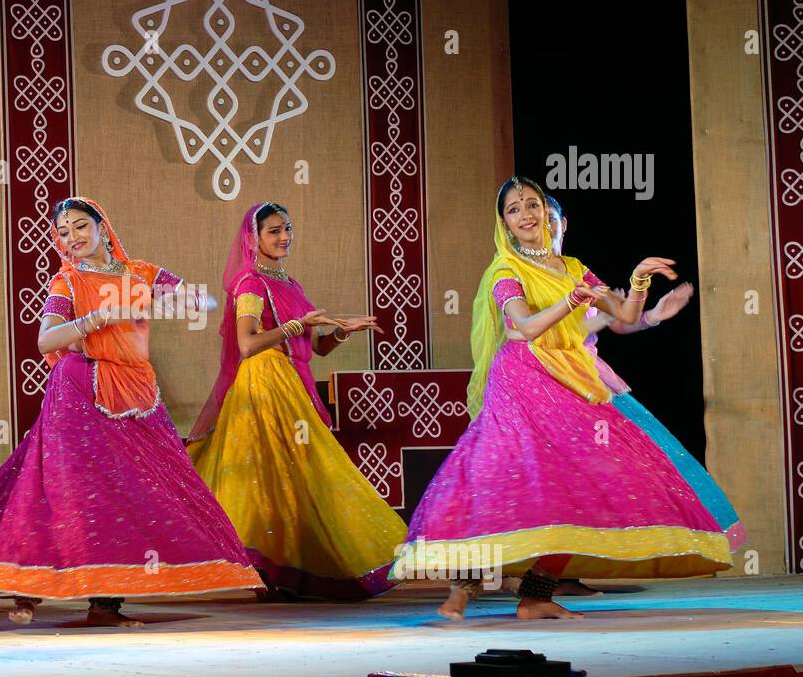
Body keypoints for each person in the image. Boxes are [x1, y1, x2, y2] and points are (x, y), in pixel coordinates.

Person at [391, 176, 732, 620]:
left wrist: (640, 281)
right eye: (514, 209)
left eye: (531, 204)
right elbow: (527, 327)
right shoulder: (505, 271)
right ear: (505, 223)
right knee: (505, 478)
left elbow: (625, 314)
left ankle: (536, 595)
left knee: (581, 480)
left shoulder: (573, 265)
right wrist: (571, 301)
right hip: (521, 382)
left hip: (573, 379)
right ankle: (463, 586)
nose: (526, 214)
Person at [0, 196, 263, 626]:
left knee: (134, 491)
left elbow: (204, 304)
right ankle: (28, 586)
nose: (71, 238)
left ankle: (105, 604)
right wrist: (100, 318)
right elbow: (45, 340)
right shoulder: (66, 281)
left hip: (136, 392)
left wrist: (162, 302)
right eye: (63, 232)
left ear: (103, 227)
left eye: (79, 226)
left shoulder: (141, 272)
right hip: (79, 390)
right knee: (64, 488)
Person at [187, 202, 405, 599]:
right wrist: (297, 325)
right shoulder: (251, 284)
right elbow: (248, 343)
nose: (285, 236)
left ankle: (282, 572)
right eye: (274, 231)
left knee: (290, 479)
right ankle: (267, 572)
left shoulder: (289, 283)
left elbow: (316, 349)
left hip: (291, 382)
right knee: (273, 478)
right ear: (253, 239)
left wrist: (343, 331)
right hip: (265, 386)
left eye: (287, 228)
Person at [542, 196, 744, 597]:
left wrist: (652, 316)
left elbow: (619, 321)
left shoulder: (578, 271)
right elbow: (543, 336)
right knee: (557, 479)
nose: (542, 225)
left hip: (595, 384)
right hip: (549, 386)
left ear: (566, 223)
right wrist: (601, 317)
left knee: (609, 474)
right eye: (531, 216)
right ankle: (539, 577)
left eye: (550, 217)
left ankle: (563, 572)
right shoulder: (523, 274)